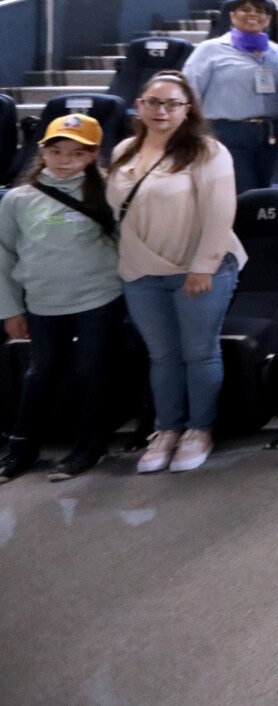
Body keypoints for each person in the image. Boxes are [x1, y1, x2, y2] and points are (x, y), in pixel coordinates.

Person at [107, 73, 246, 476]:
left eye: (172, 104)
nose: (161, 111)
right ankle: (167, 430)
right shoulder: (124, 150)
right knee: (162, 356)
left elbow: (220, 213)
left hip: (199, 270)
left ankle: (199, 430)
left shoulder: (207, 151)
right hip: (140, 272)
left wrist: (203, 265)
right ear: (139, 105)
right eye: (153, 102)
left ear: (188, 110)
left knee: (199, 352)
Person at [0, 116, 124, 483]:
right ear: (42, 152)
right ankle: (21, 449)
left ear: (93, 155)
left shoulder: (108, 193)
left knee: (90, 371)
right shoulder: (18, 199)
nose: (64, 160)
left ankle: (89, 446)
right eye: (55, 151)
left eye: (76, 153)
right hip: (42, 303)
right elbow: (4, 256)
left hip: (99, 299)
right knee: (40, 374)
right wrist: (10, 309)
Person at [183, 0, 278, 193]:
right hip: (227, 133)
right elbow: (189, 92)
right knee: (241, 191)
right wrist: (192, 133)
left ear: (268, 20)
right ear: (232, 16)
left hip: (271, 134)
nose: (252, 14)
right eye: (245, 9)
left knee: (264, 191)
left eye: (260, 11)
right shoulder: (210, 49)